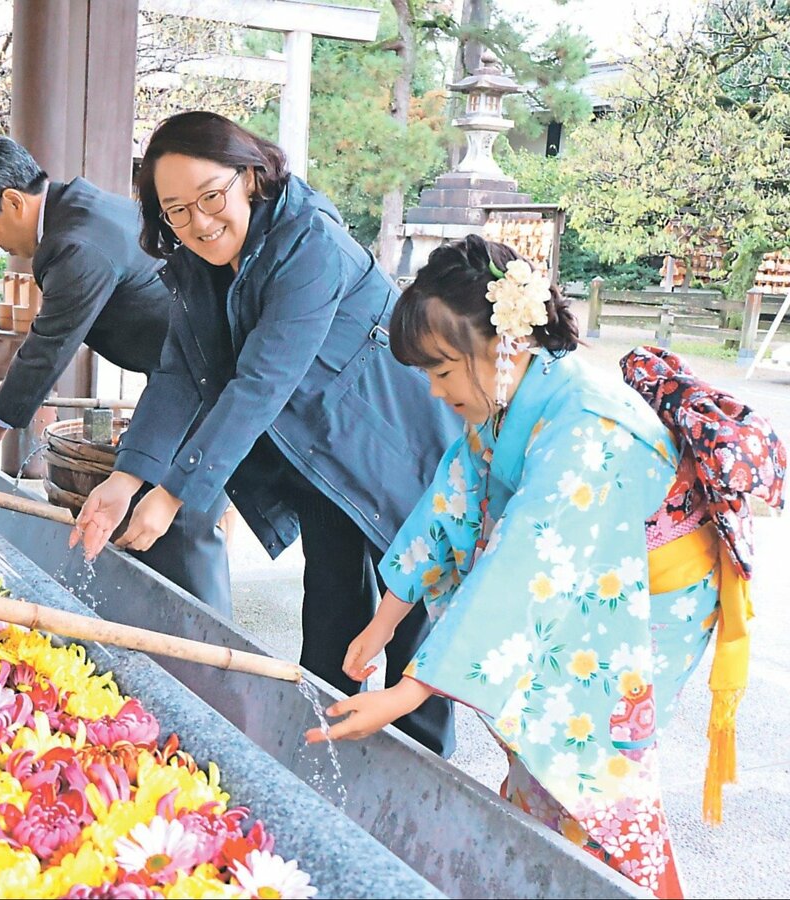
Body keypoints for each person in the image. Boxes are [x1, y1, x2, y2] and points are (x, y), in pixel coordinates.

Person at [307, 235, 784, 897]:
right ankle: (539, 860)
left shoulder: (588, 423)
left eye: (442, 369)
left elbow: (526, 564)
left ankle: (612, 877)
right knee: (536, 746)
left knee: (589, 763)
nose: (434, 389)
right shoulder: (508, 397)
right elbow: (452, 501)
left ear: (502, 345)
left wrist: (410, 689)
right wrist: (385, 619)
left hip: (651, 598)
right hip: (586, 573)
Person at [69, 111, 461, 756]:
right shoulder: (197, 261)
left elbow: (260, 381)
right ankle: (327, 755)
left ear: (250, 177)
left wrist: (174, 493)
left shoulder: (312, 245)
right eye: (176, 210)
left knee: (416, 604)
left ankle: (422, 776)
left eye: (211, 197)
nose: (199, 221)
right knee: (334, 600)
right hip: (318, 452)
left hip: (394, 437)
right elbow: (178, 371)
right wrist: (125, 477)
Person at [0, 136, 231, 616]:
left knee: (184, 521)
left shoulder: (76, 243)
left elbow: (48, 346)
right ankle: (165, 627)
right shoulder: (79, 208)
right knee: (161, 515)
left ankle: (208, 645)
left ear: (12, 202)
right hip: (179, 380)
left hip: (203, 383)